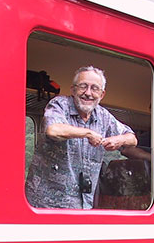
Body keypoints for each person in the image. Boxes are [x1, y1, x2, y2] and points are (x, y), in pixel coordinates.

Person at [25, 66, 137, 209]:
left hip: (82, 206)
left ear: (102, 94)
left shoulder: (103, 116)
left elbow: (132, 139)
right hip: (44, 205)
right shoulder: (60, 105)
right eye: (83, 86)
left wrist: (119, 140)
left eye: (94, 88)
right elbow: (53, 130)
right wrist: (88, 133)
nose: (88, 93)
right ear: (73, 90)